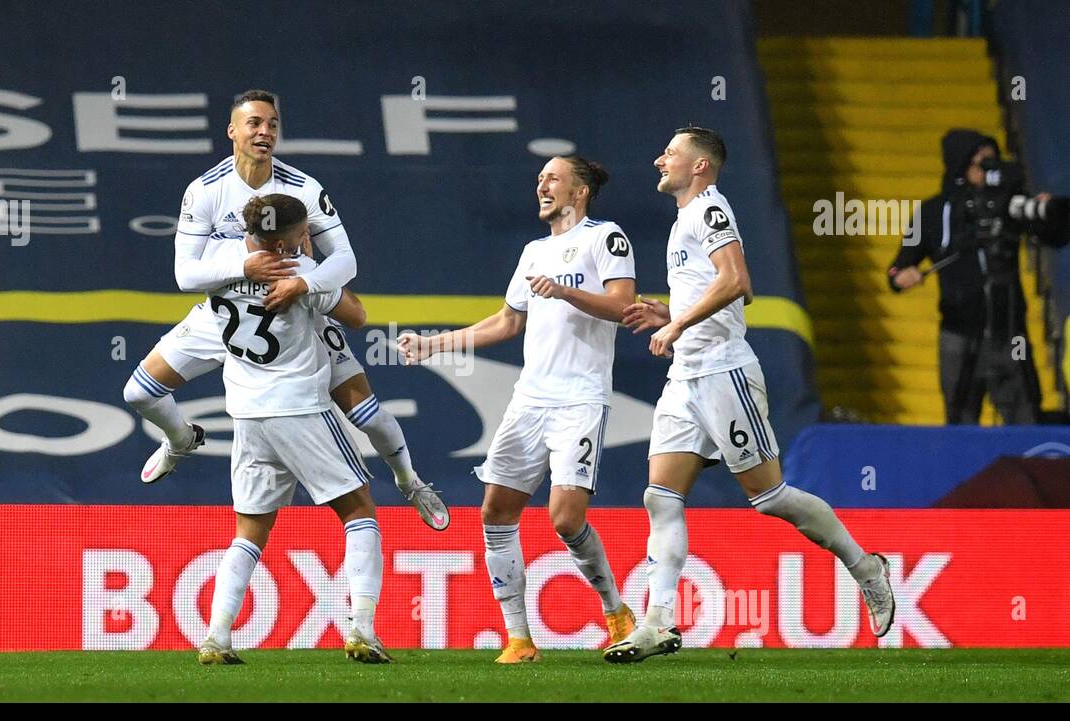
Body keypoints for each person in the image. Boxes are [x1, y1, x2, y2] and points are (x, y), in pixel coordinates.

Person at [608, 127, 895, 663]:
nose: (658, 159)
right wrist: (672, 317)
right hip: (687, 377)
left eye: (670, 152)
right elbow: (735, 293)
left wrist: (676, 327)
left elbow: (738, 280)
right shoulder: (686, 218)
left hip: (723, 373)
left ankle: (866, 568)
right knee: (660, 497)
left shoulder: (710, 210)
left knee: (770, 498)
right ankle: (657, 622)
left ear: (700, 165)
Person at [123, 89, 449, 530]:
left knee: (369, 415)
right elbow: (185, 275)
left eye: (272, 124)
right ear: (232, 131)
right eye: (254, 123)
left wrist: (302, 283)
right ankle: (180, 439)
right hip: (224, 315)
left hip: (299, 315)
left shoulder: (304, 189)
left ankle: (410, 481)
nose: (265, 131)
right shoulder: (204, 191)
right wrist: (245, 266)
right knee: (139, 393)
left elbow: (345, 261)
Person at [398, 156, 637, 663]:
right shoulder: (532, 251)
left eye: (553, 178)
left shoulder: (606, 237)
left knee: (566, 519)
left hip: (580, 398)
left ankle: (616, 611)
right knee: (495, 511)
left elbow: (623, 306)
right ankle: (520, 639)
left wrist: (566, 291)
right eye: (539, 179)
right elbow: (508, 322)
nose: (541, 186)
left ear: (580, 192)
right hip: (530, 400)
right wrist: (436, 344)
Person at [195, 194, 390, 665]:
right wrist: (310, 277)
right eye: (304, 231)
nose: (310, 237)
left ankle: (217, 635)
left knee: (250, 531)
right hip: (299, 407)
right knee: (360, 510)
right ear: (287, 240)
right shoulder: (296, 270)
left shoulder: (219, 263)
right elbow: (358, 315)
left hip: (246, 414)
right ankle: (362, 628)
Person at [888, 129, 1069, 424]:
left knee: (1026, 422)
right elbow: (896, 271)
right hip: (959, 338)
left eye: (994, 163)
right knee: (960, 425)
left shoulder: (1009, 203)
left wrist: (1048, 214)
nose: (990, 172)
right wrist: (902, 277)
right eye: (982, 164)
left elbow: (1056, 237)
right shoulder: (934, 212)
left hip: (1009, 335)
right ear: (961, 165)